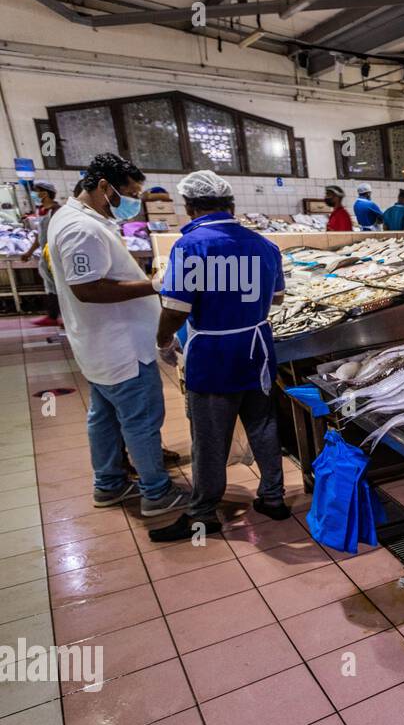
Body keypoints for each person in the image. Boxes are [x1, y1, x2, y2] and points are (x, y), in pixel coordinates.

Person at [148, 170, 289, 542]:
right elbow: (277, 299)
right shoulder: (264, 245)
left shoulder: (191, 246)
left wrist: (163, 340)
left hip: (213, 354)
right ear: (231, 205)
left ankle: (203, 512)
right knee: (263, 424)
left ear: (190, 206)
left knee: (210, 436)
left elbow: (176, 308)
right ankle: (273, 498)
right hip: (257, 350)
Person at [46, 153, 187, 516]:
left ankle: (109, 484)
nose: (133, 204)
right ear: (104, 186)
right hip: (119, 346)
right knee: (140, 419)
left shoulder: (76, 219)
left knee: (104, 417)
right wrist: (153, 286)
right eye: (130, 194)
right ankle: (156, 493)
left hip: (100, 346)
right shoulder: (81, 228)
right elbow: (88, 289)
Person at [24, 180, 60, 327]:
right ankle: (52, 316)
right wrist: (29, 252)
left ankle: (65, 316)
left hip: (55, 255)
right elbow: (41, 237)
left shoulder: (57, 211)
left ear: (45, 193)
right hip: (46, 254)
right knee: (50, 286)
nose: (34, 195)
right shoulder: (42, 211)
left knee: (60, 285)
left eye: (36, 191)